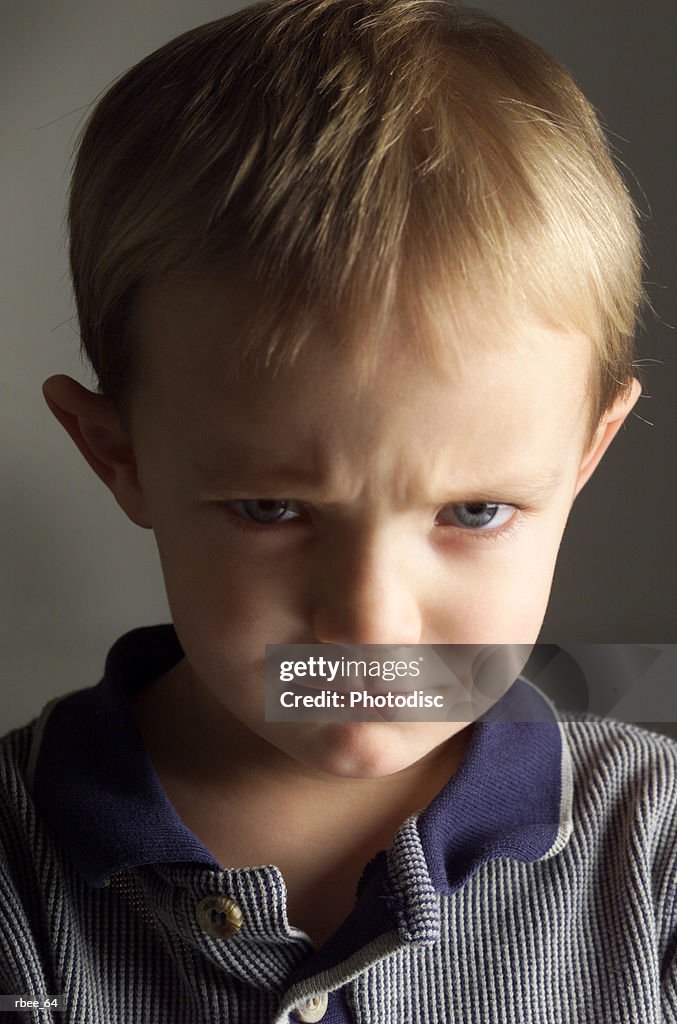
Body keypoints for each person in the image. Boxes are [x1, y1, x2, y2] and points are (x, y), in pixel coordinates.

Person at [1, 1, 674, 1021]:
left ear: (582, 460)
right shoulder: (17, 861)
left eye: (475, 511)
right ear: (118, 453)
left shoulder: (657, 845)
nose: (367, 624)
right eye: (271, 507)